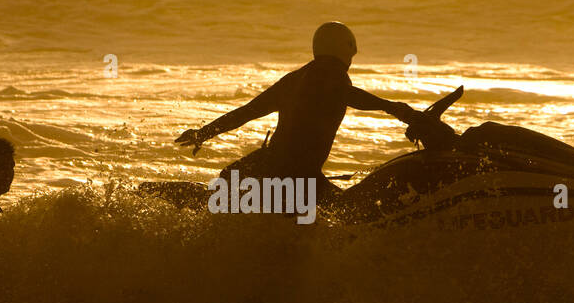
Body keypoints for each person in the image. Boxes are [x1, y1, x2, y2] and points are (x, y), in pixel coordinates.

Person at [174, 22, 424, 202]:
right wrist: (396, 109)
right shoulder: (333, 74)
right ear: (346, 48)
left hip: (267, 164)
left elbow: (247, 112)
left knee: (227, 184)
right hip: (301, 175)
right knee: (346, 210)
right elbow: (349, 95)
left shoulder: (293, 79)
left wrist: (205, 132)